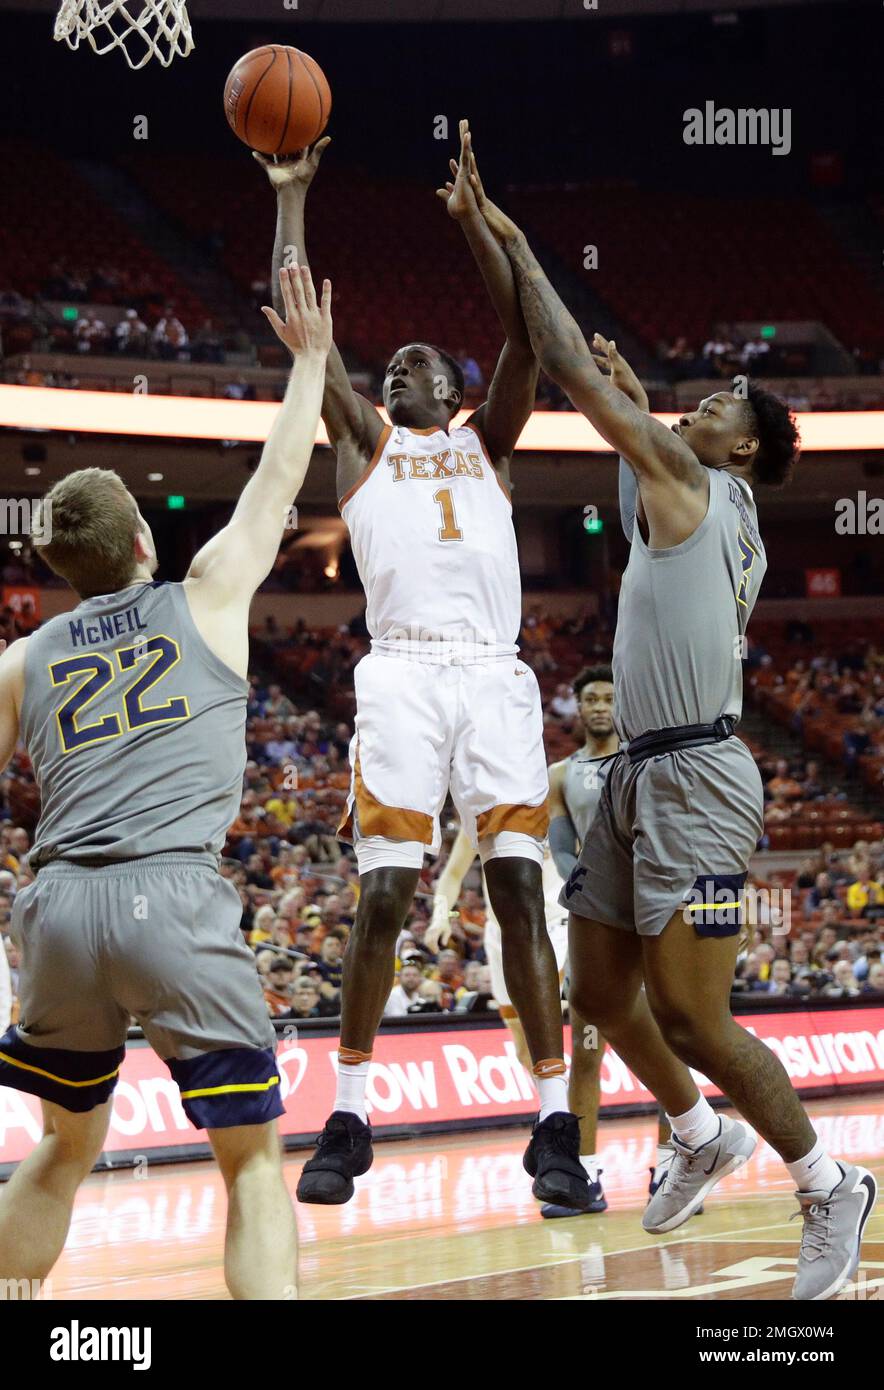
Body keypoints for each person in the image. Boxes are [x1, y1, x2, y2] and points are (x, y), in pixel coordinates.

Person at [465, 127, 876, 1300]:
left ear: (742, 447)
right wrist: (482, 243)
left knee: (693, 1015)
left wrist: (512, 237)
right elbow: (580, 384)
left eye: (723, 401)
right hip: (636, 775)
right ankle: (697, 1131)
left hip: (696, 776)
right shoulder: (676, 487)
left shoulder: (701, 480)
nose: (704, 400)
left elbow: (569, 371)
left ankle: (823, 1179)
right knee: (597, 995)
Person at [257, 123, 590, 1213]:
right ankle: (348, 1115)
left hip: (493, 676)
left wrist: (474, 228)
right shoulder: (362, 442)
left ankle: (553, 1130)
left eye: (414, 363)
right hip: (399, 673)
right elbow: (302, 322)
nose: (394, 368)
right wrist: (291, 193)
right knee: (384, 895)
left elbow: (527, 334)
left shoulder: (487, 438)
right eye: (388, 364)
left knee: (516, 890)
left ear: (446, 385)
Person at [0, 262, 332, 1300]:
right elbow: (278, 479)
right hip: (169, 896)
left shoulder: (21, 658)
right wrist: (312, 359)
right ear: (143, 543)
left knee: (61, 1149)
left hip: (54, 908)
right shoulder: (207, 593)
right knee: (250, 1163)